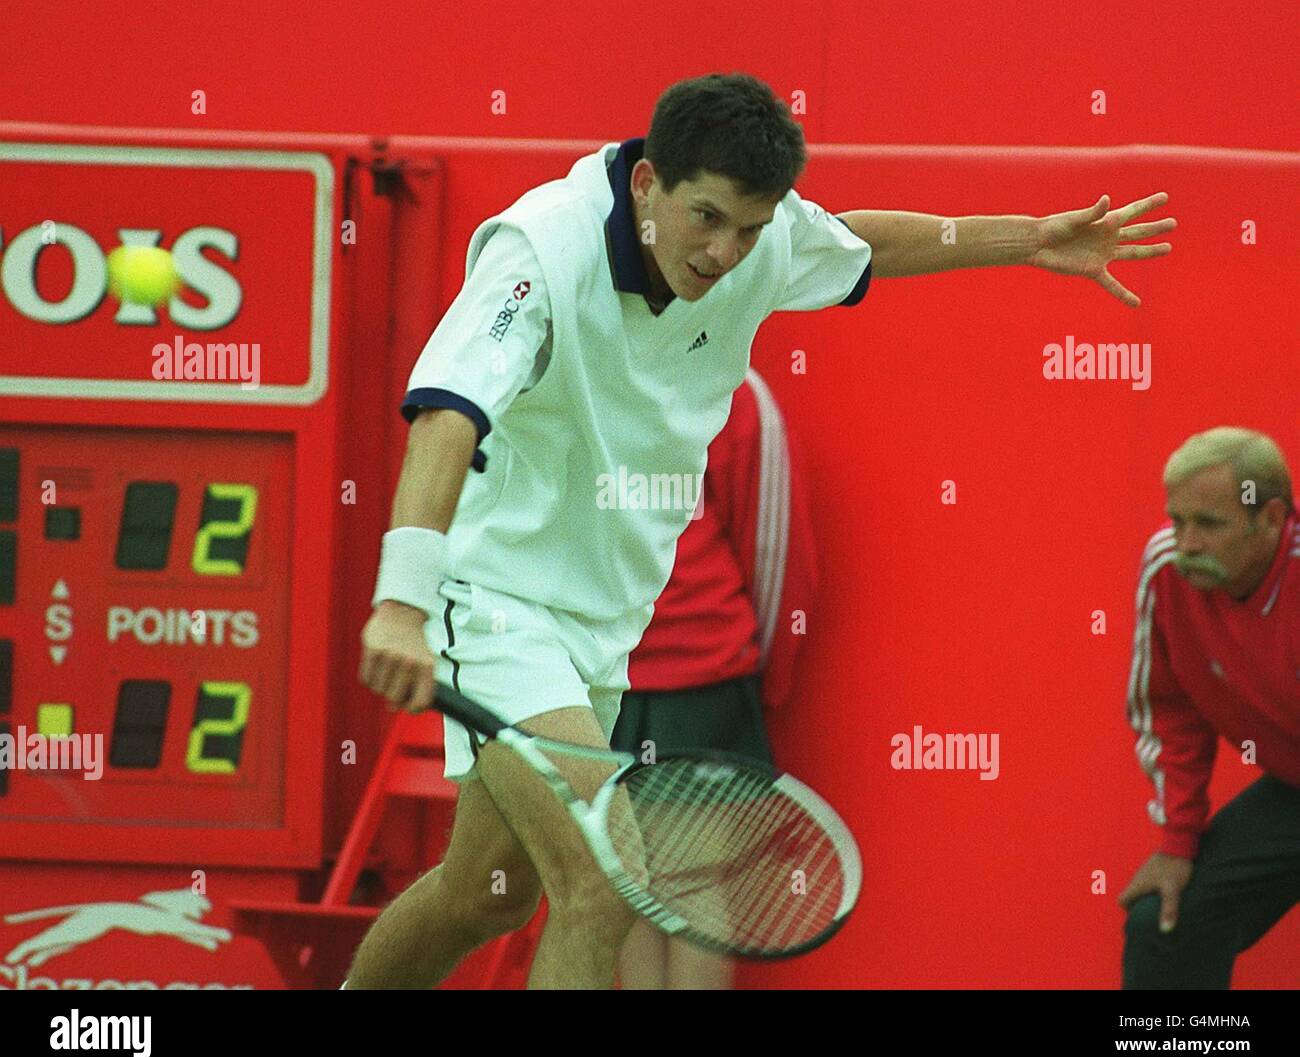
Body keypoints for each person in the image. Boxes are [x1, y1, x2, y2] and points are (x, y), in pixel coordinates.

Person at [347, 71, 1175, 990]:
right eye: (706, 218)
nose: (726, 253)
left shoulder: (758, 240)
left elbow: (861, 241)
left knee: (486, 894)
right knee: (605, 879)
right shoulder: (543, 250)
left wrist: (1028, 240)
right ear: (647, 184)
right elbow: (447, 412)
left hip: (604, 618)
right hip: (493, 598)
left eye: (749, 227)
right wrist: (401, 598)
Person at [612, 368, 816, 989]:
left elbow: (776, 551)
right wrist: (766, 685)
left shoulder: (733, 388)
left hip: (674, 684)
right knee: (647, 896)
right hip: (633, 685)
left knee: (655, 897)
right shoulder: (734, 389)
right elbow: (781, 558)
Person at [1119, 427, 1298, 989]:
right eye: (1178, 520)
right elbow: (1171, 712)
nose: (1187, 542)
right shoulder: (1169, 571)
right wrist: (1179, 841)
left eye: (1210, 524)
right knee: (1166, 922)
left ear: (1270, 519)